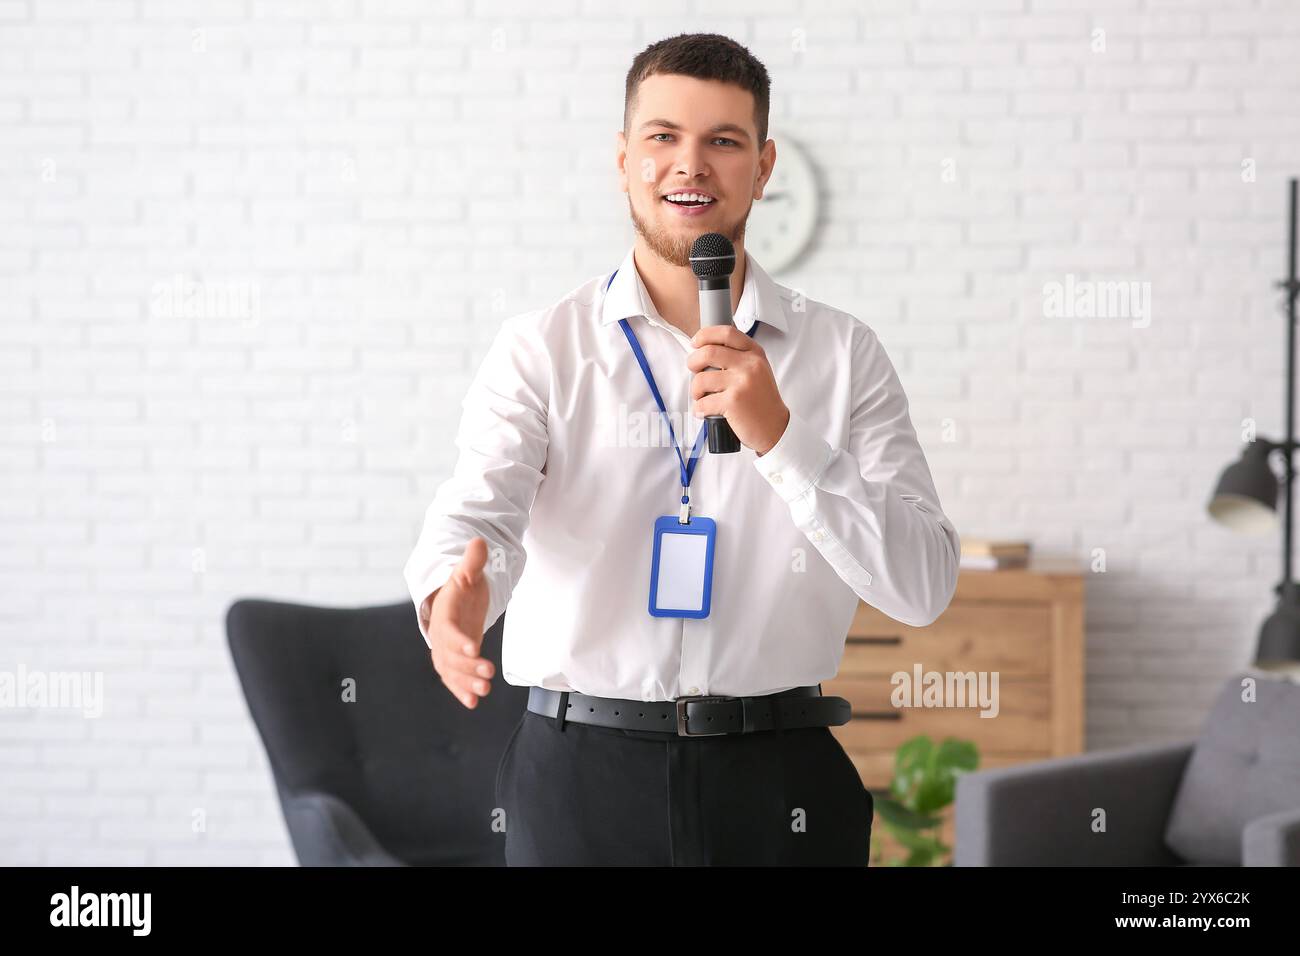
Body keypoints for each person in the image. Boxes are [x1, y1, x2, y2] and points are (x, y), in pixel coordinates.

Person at [403, 32, 961, 866]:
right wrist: (453, 600)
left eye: (723, 142)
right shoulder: (541, 348)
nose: (689, 165)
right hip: (578, 779)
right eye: (663, 137)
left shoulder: (845, 355)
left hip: (781, 780)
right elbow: (482, 513)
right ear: (624, 158)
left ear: (763, 167)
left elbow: (922, 587)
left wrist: (780, 435)